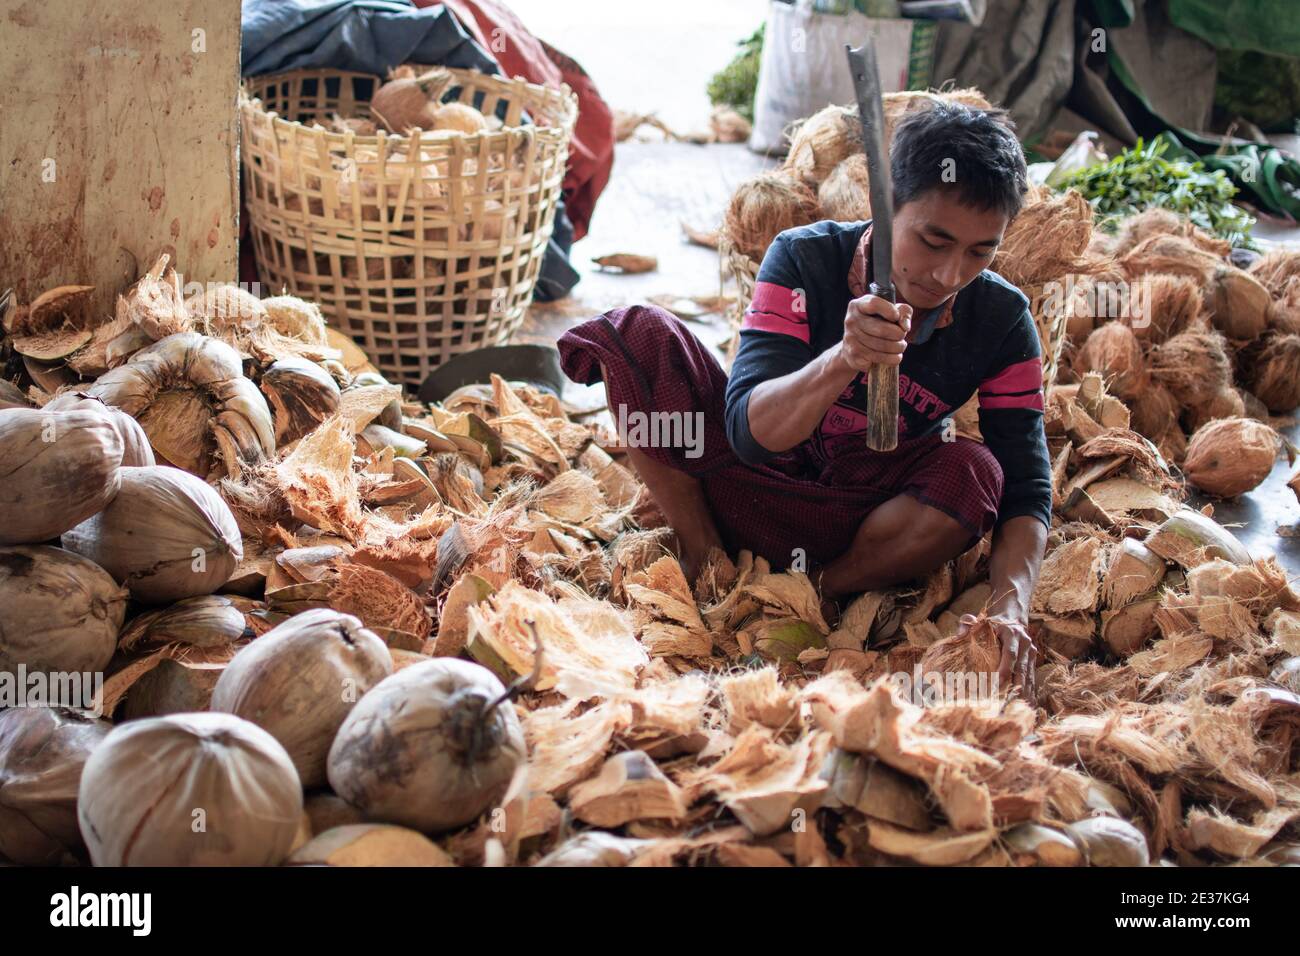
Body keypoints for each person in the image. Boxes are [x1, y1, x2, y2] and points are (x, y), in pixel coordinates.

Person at [558, 102, 1051, 700]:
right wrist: (843, 358)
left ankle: (812, 592)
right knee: (636, 331)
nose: (949, 274)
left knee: (977, 474)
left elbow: (1025, 486)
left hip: (861, 521)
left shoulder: (1002, 320)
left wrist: (1009, 610)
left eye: (980, 252)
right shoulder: (802, 257)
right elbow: (746, 431)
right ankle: (704, 556)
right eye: (933, 239)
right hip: (743, 481)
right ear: (885, 205)